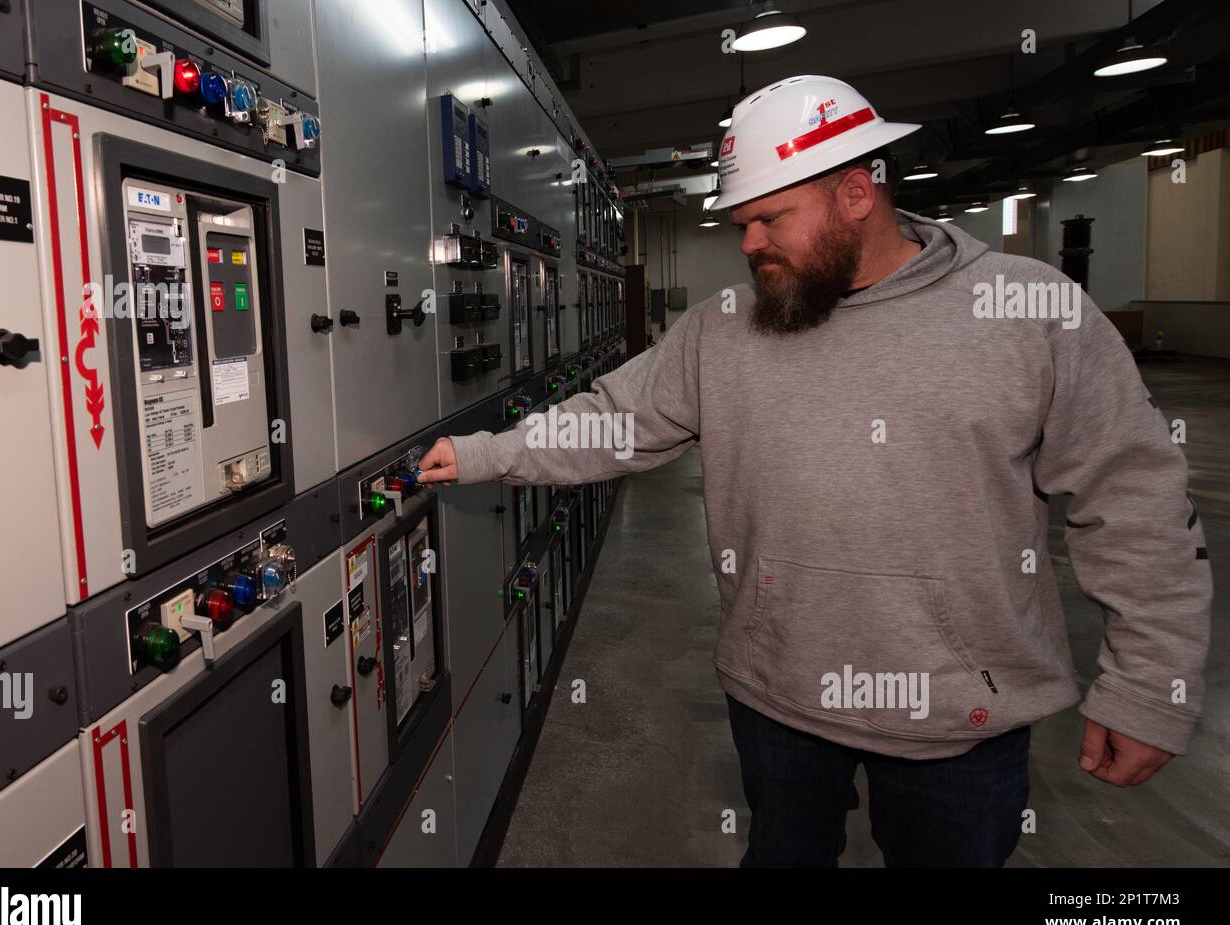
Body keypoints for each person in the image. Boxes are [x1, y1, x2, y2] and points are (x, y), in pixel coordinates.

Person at [417, 76, 1212, 867]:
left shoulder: (1027, 313)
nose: (748, 243)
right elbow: (611, 420)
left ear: (857, 193)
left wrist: (1149, 685)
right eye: (741, 222)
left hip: (959, 718)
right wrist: (486, 453)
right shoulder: (726, 332)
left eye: (769, 218)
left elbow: (1133, 495)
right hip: (778, 699)